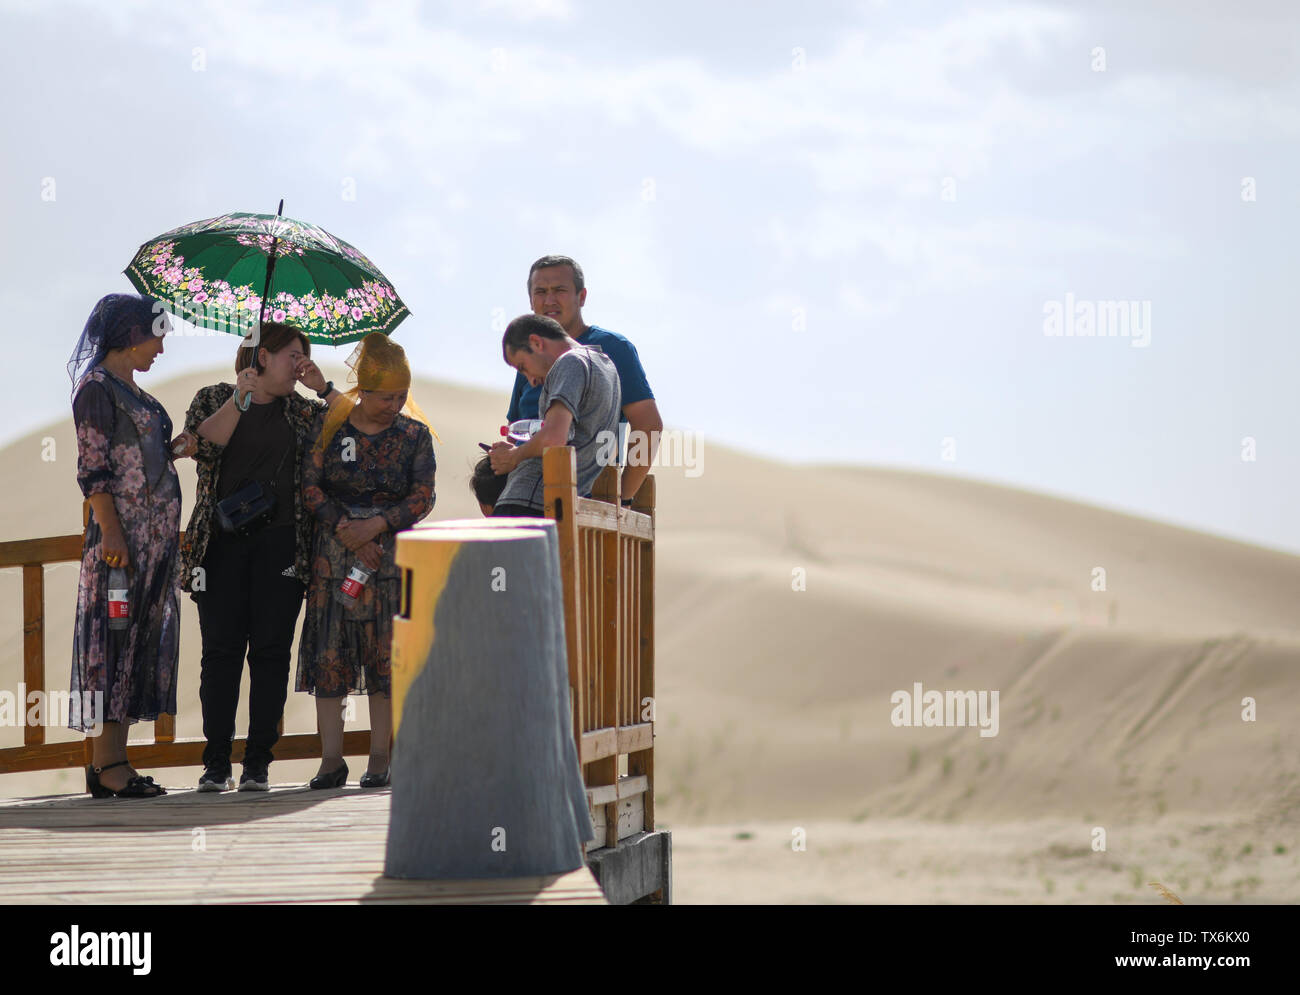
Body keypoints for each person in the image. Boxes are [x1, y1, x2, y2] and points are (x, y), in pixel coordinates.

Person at [180, 322, 343, 792]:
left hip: (283, 544)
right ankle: (216, 763)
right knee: (221, 653)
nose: (299, 364)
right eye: (293, 355)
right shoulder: (214, 397)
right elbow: (201, 446)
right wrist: (240, 397)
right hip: (220, 544)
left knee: (271, 653)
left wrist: (324, 387)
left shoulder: (301, 411)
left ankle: (257, 763)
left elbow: (352, 426)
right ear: (263, 357)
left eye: (303, 356)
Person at [68, 293, 196, 798]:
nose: (161, 348)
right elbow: (93, 470)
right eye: (157, 335)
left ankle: (116, 761)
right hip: (122, 549)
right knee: (114, 642)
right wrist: (113, 533)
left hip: (154, 548)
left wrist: (178, 448)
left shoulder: (134, 392)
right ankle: (108, 766)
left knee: (136, 643)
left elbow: (147, 458)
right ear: (130, 333)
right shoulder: (98, 389)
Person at [297, 332, 436, 789]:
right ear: (363, 391)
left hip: (390, 562)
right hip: (334, 560)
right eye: (385, 397)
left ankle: (380, 759)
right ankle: (330, 761)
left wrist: (375, 527)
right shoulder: (330, 426)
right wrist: (347, 530)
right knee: (330, 659)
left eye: (401, 396)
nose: (394, 405)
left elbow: (422, 497)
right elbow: (311, 488)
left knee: (385, 661)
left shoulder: (414, 436)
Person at [508, 255, 662, 504]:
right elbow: (515, 431)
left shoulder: (613, 348)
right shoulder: (531, 356)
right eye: (541, 291)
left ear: (582, 296)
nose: (549, 300)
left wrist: (619, 500)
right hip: (525, 500)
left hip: (587, 506)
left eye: (559, 290)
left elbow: (648, 426)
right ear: (530, 301)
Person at [490, 314, 620, 517]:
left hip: (529, 503)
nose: (531, 381)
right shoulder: (607, 367)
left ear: (536, 342)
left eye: (523, 367)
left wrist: (514, 456)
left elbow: (554, 437)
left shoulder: (570, 362)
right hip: (562, 508)